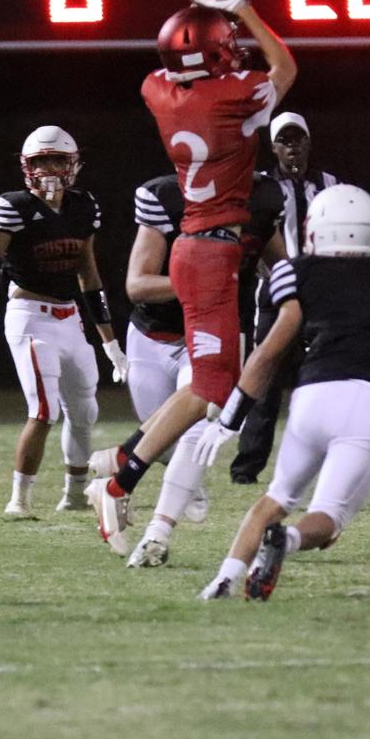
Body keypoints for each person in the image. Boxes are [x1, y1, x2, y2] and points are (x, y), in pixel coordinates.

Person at [89, 0, 297, 555]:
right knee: (212, 387)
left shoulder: (160, 91)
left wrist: (201, 28)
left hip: (193, 247)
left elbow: (171, 66)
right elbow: (285, 68)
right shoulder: (232, 97)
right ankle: (122, 474)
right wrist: (242, 7)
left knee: (215, 385)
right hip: (212, 251)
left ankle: (122, 464)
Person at [181, 185, 370, 600]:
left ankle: (224, 580)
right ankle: (287, 541)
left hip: (314, 396)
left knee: (275, 498)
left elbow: (267, 354)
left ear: (316, 228)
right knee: (328, 518)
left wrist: (230, 417)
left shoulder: (297, 272)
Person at [0, 127, 127, 517]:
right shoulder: (13, 207)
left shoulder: (83, 207)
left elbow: (90, 277)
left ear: (73, 164)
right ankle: (20, 498)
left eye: (57, 160)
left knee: (85, 413)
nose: (49, 169)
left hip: (69, 318)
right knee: (44, 410)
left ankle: (75, 493)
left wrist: (110, 343)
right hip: (30, 317)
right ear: (26, 167)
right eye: (41, 161)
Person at [117, 166, 279, 567]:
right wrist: (202, 279)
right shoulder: (165, 196)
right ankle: (180, 481)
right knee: (166, 443)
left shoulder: (263, 198)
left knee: (199, 425)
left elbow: (279, 266)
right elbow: (137, 284)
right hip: (155, 335)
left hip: (215, 329)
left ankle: (157, 532)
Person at [230, 111, 343, 484]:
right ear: (273, 146)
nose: (292, 148)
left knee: (325, 379)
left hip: (320, 293)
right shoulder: (260, 186)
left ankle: (327, 460)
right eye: (284, 141)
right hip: (276, 294)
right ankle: (246, 468)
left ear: (308, 143)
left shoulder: (329, 183)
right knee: (265, 379)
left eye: (298, 140)